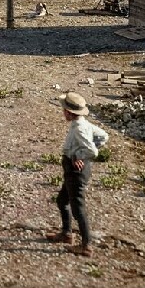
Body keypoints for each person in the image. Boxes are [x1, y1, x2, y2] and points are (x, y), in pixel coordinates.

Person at [47, 91, 109, 257]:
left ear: (68, 112)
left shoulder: (79, 129)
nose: (63, 113)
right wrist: (82, 153)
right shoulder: (83, 123)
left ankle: (86, 245)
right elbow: (104, 136)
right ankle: (67, 234)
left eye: (64, 110)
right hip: (74, 170)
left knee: (78, 209)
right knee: (62, 200)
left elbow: (93, 151)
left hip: (76, 172)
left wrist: (79, 155)